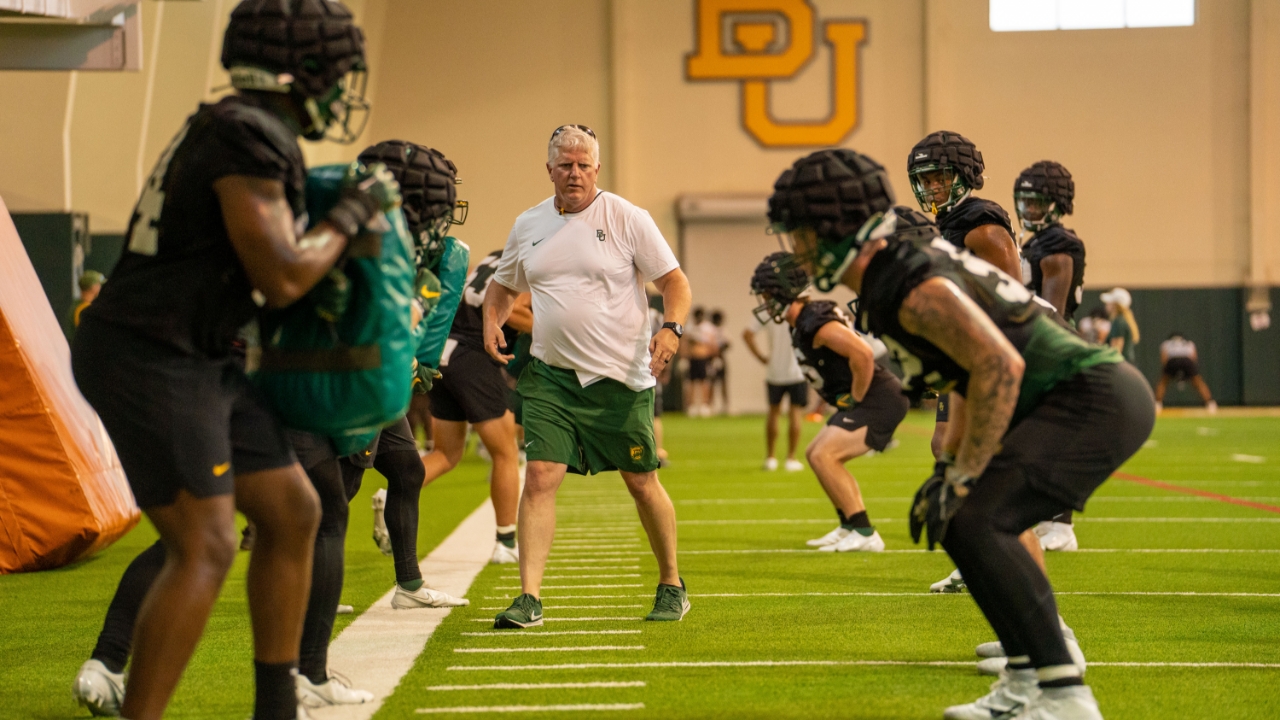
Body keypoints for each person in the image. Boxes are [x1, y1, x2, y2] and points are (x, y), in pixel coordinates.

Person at [770, 148, 1154, 720]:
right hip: (1070, 395)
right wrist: (953, 467)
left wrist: (966, 470)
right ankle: (1029, 676)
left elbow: (997, 366)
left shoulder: (907, 281)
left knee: (976, 516)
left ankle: (1065, 695)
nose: (798, 250)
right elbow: (961, 375)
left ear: (839, 226)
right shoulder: (891, 273)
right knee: (963, 517)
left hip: (1087, 396)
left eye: (804, 234)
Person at [69, 3, 374, 718]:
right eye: (330, 71)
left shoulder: (241, 125)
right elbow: (285, 275)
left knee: (294, 510)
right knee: (204, 545)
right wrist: (349, 218)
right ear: (292, 70)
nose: (337, 89)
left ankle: (276, 707)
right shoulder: (245, 134)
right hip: (150, 354)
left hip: (198, 353)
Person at [482, 124, 693, 628]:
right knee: (540, 477)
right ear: (549, 169)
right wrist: (492, 320)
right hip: (553, 378)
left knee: (642, 482)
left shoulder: (627, 217)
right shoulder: (528, 223)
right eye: (565, 164)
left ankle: (671, 583)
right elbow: (502, 284)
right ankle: (529, 597)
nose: (574, 173)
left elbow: (674, 281)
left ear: (597, 168)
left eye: (583, 164)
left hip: (621, 378)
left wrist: (672, 328)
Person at [906, 132, 1053, 592]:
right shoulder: (949, 223)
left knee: (983, 470)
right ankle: (986, 561)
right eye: (924, 179)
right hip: (972, 354)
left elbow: (1010, 299)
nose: (930, 188)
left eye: (939, 176)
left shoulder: (980, 224)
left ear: (964, 175)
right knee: (948, 452)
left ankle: (1014, 570)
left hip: (1002, 352)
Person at [353, 140, 472, 608]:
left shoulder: (416, 251)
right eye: (435, 200)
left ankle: (409, 585)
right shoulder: (364, 242)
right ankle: (303, 600)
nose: (444, 212)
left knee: (406, 471)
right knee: (332, 487)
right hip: (348, 381)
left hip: (380, 379)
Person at [750, 252, 908, 552]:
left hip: (878, 397)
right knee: (815, 453)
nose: (765, 303)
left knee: (825, 455)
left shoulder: (815, 321)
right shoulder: (801, 322)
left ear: (785, 291)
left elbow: (862, 354)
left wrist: (856, 400)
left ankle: (864, 532)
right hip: (868, 396)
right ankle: (849, 524)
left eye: (769, 295)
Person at [427, 247, 532, 564]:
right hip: (473, 354)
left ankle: (393, 494)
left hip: (443, 351)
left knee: (445, 454)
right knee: (506, 452)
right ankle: (505, 541)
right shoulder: (533, 259)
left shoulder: (497, 254)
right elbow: (511, 311)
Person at [1015, 160, 1088, 553]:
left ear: (1057, 204)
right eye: (1024, 201)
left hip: (1051, 343)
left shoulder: (1059, 244)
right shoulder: (1034, 243)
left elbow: (1053, 311)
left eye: (1037, 202)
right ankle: (1047, 518)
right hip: (1035, 341)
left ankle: (1061, 524)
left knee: (1048, 438)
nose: (1029, 210)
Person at [742, 297, 808, 471]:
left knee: (773, 413)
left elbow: (747, 334)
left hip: (775, 371)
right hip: (797, 371)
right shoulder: (800, 310)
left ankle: (770, 457)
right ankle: (791, 458)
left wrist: (762, 357)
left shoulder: (767, 310)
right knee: (795, 414)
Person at [1155, 332, 1217, 413]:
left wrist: (1168, 371)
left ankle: (1157, 404)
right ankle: (1210, 403)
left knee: (1163, 381)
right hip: (1187, 360)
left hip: (1172, 360)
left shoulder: (1166, 344)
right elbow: (1193, 358)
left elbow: (1164, 359)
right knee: (1198, 381)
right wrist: (1190, 372)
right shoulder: (1189, 343)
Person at [683, 307, 716, 416]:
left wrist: (713, 358)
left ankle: (704, 405)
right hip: (692, 358)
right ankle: (691, 405)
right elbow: (685, 342)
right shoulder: (690, 327)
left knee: (704, 382)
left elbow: (711, 343)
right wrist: (684, 357)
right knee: (691, 382)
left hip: (704, 358)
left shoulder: (708, 327)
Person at [1102, 287, 1140, 363]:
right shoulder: (1121, 320)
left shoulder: (1118, 322)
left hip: (1122, 367)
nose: (1106, 305)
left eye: (1109, 302)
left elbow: (1116, 351)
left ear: (1115, 305)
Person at [709, 309, 730, 414]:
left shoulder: (723, 330)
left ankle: (725, 406)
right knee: (711, 382)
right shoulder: (709, 329)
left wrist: (719, 350)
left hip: (721, 358)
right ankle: (710, 406)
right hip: (711, 358)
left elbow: (728, 344)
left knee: (723, 382)